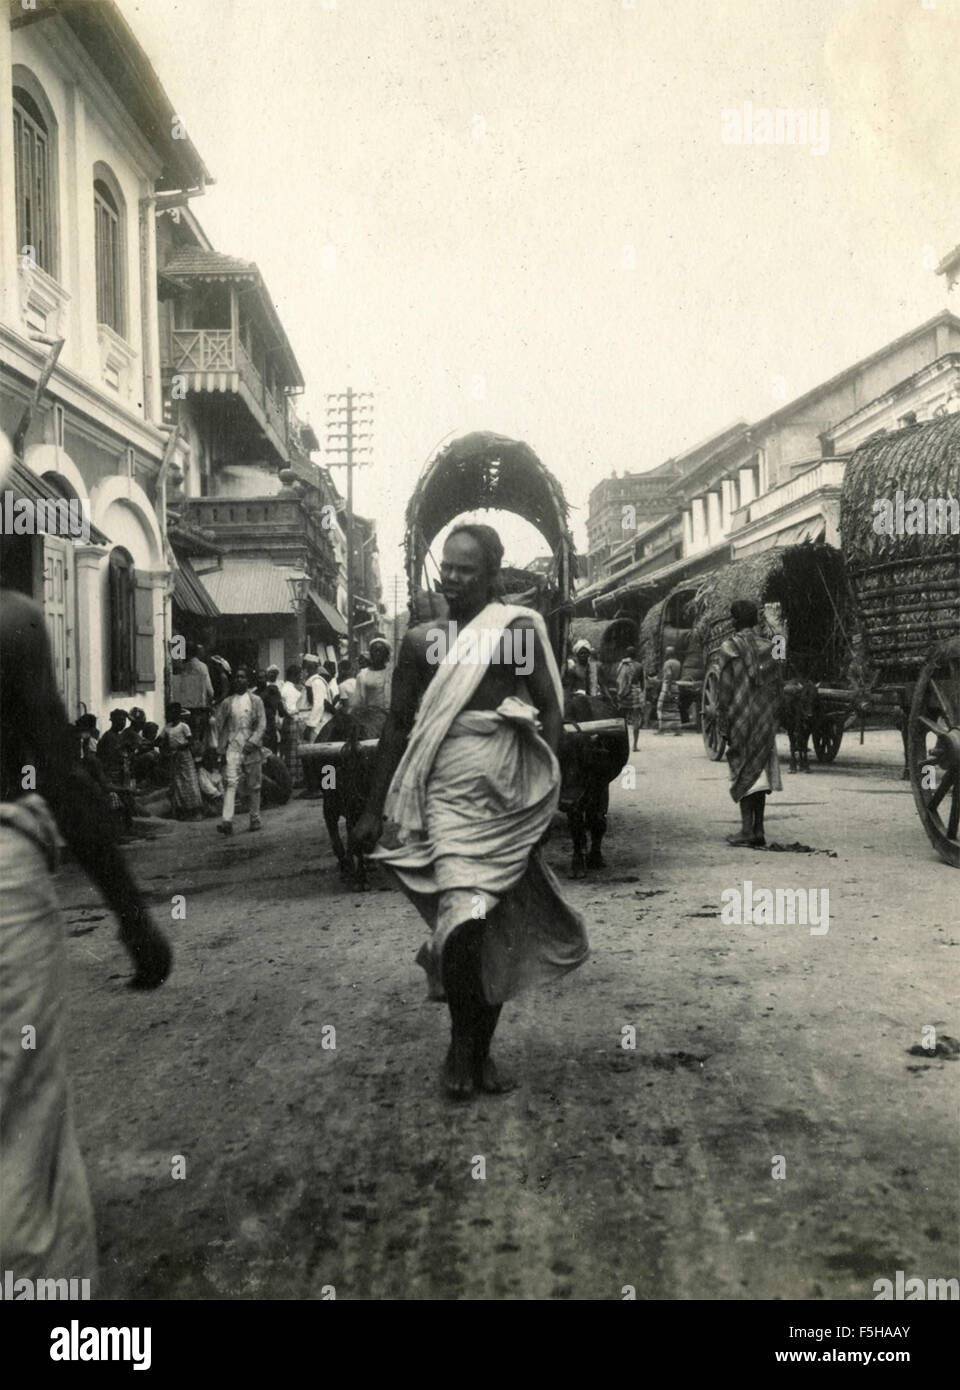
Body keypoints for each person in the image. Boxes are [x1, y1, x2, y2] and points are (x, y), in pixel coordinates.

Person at [355, 523, 588, 1101]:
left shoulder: (516, 633)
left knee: (494, 927)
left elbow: (551, 712)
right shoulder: (420, 643)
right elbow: (398, 726)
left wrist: (546, 793)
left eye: (468, 570)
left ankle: (478, 1052)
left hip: (508, 794)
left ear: (491, 575)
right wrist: (370, 808)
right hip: (447, 797)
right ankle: (463, 1046)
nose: (454, 579)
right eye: (448, 569)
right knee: (462, 922)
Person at [0, 570, 171, 1295]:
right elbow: (60, 778)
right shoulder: (13, 624)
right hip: (7, 885)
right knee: (19, 1109)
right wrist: (133, 918)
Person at [716, 598, 784, 847]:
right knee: (760, 770)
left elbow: (724, 692)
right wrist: (776, 626)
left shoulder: (729, 648)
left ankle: (746, 830)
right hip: (764, 718)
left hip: (740, 717)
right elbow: (781, 666)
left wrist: (723, 724)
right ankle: (759, 829)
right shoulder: (770, 647)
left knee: (744, 769)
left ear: (735, 621)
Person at [215, 666, 266, 835]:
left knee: (254, 785)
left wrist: (253, 741)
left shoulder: (256, 701)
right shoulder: (227, 703)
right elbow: (219, 726)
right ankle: (227, 821)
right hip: (233, 748)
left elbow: (261, 724)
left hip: (251, 748)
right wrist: (221, 750)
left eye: (242, 677)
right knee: (231, 784)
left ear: (247, 681)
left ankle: (255, 818)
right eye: (236, 677)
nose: (239, 680)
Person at [300, 654, 334, 798]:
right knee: (312, 756)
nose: (305, 668)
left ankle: (327, 786)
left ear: (314, 666)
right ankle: (315, 786)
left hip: (318, 724)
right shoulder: (311, 681)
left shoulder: (317, 682)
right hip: (313, 722)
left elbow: (319, 705)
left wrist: (310, 725)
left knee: (321, 755)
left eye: (307, 665)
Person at [162, 702, 202, 820]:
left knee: (189, 781)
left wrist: (181, 747)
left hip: (185, 757)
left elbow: (190, 742)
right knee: (178, 783)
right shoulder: (167, 727)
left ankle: (195, 810)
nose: (171, 714)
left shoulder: (184, 726)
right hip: (174, 757)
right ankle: (182, 810)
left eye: (174, 712)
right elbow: (160, 740)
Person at [351, 638, 391, 735]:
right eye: (374, 650)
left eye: (380, 651)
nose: (377, 653)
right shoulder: (363, 675)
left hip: (389, 718)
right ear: (371, 653)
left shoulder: (392, 673)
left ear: (386, 654)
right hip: (369, 719)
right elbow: (357, 701)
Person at [615, 645, 646, 750]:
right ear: (635, 655)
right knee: (636, 719)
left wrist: (620, 692)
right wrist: (641, 694)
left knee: (622, 720)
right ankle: (635, 746)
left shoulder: (621, 665)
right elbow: (642, 683)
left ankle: (621, 745)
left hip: (623, 694)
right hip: (635, 694)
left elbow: (618, 680)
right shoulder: (639, 666)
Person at [656, 646, 683, 735]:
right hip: (676, 687)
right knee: (674, 708)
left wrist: (667, 690)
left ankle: (662, 729)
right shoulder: (678, 663)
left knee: (661, 707)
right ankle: (677, 729)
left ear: (668, 653)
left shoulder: (667, 663)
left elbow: (668, 674)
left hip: (667, 687)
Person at [261, 665, 284, 755]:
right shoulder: (266, 685)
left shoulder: (280, 683)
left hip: (278, 709)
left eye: (275, 673)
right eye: (271, 673)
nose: (273, 675)